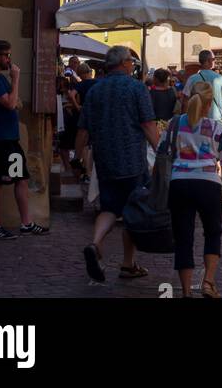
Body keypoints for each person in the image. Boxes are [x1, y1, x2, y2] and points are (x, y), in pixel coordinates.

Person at [74, 45, 159, 283]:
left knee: (109, 207)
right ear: (123, 63)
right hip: (132, 159)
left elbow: (83, 129)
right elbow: (148, 125)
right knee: (132, 210)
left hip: (105, 160)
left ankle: (95, 243)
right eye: (131, 61)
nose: (133, 65)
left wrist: (77, 156)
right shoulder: (136, 88)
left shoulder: (95, 90)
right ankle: (127, 264)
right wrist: (161, 152)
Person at [168, 79, 222, 297]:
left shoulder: (174, 124)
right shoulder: (218, 128)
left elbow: (163, 154)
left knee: (183, 238)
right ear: (209, 104)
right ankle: (208, 282)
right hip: (208, 184)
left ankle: (186, 292)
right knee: (212, 233)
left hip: (179, 183)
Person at [0, 39, 48, 239]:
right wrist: (16, 80)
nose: (9, 59)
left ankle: (26, 223)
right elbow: (10, 103)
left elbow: (15, 101)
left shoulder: (0, 77)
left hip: (9, 138)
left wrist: (13, 96)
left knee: (20, 178)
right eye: (6, 55)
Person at [183, 50, 222, 122]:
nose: (213, 62)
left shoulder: (192, 79)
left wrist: (185, 121)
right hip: (216, 121)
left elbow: (185, 102)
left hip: (196, 121)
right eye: (213, 59)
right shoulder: (221, 79)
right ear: (209, 61)